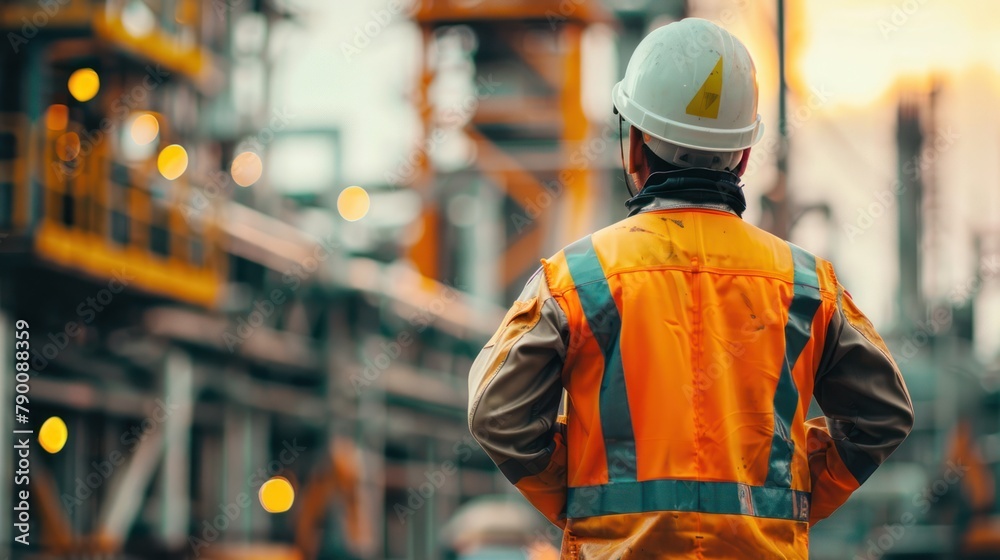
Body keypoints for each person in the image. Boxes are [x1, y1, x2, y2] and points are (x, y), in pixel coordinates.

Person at [467, 17, 914, 559]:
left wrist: (581, 493)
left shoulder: (575, 279)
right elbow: (884, 414)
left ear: (633, 145)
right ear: (744, 156)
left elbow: (496, 414)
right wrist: (789, 496)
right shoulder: (805, 283)